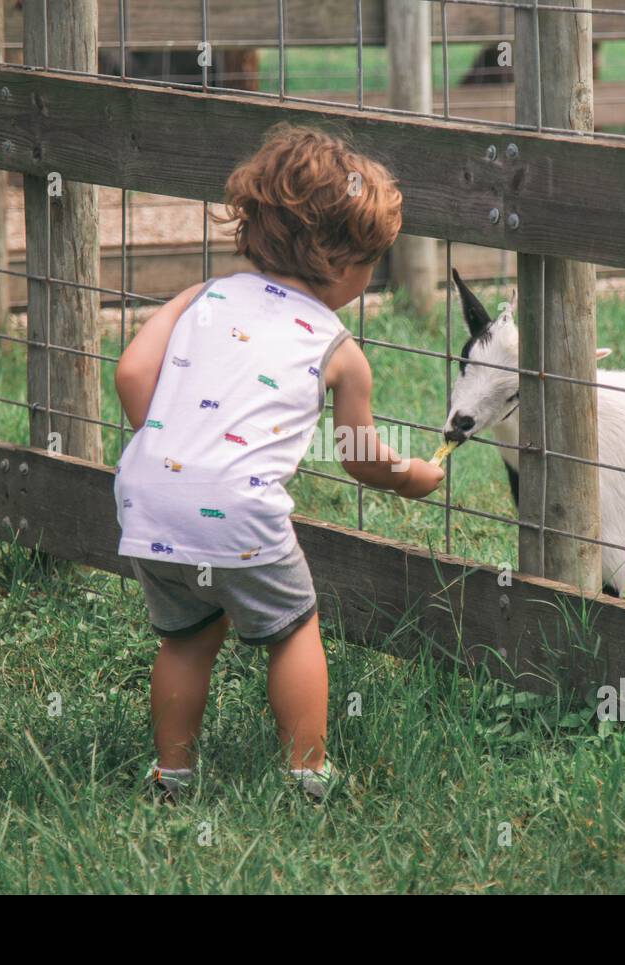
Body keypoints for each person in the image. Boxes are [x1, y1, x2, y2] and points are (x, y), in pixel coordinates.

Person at [113, 125, 444, 800]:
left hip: (150, 496)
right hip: (241, 509)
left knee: (185, 639)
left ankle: (172, 774)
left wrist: (181, 449)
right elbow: (359, 457)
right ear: (347, 263)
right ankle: (306, 773)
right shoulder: (338, 346)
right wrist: (411, 476)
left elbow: (129, 372)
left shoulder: (202, 296)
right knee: (294, 630)